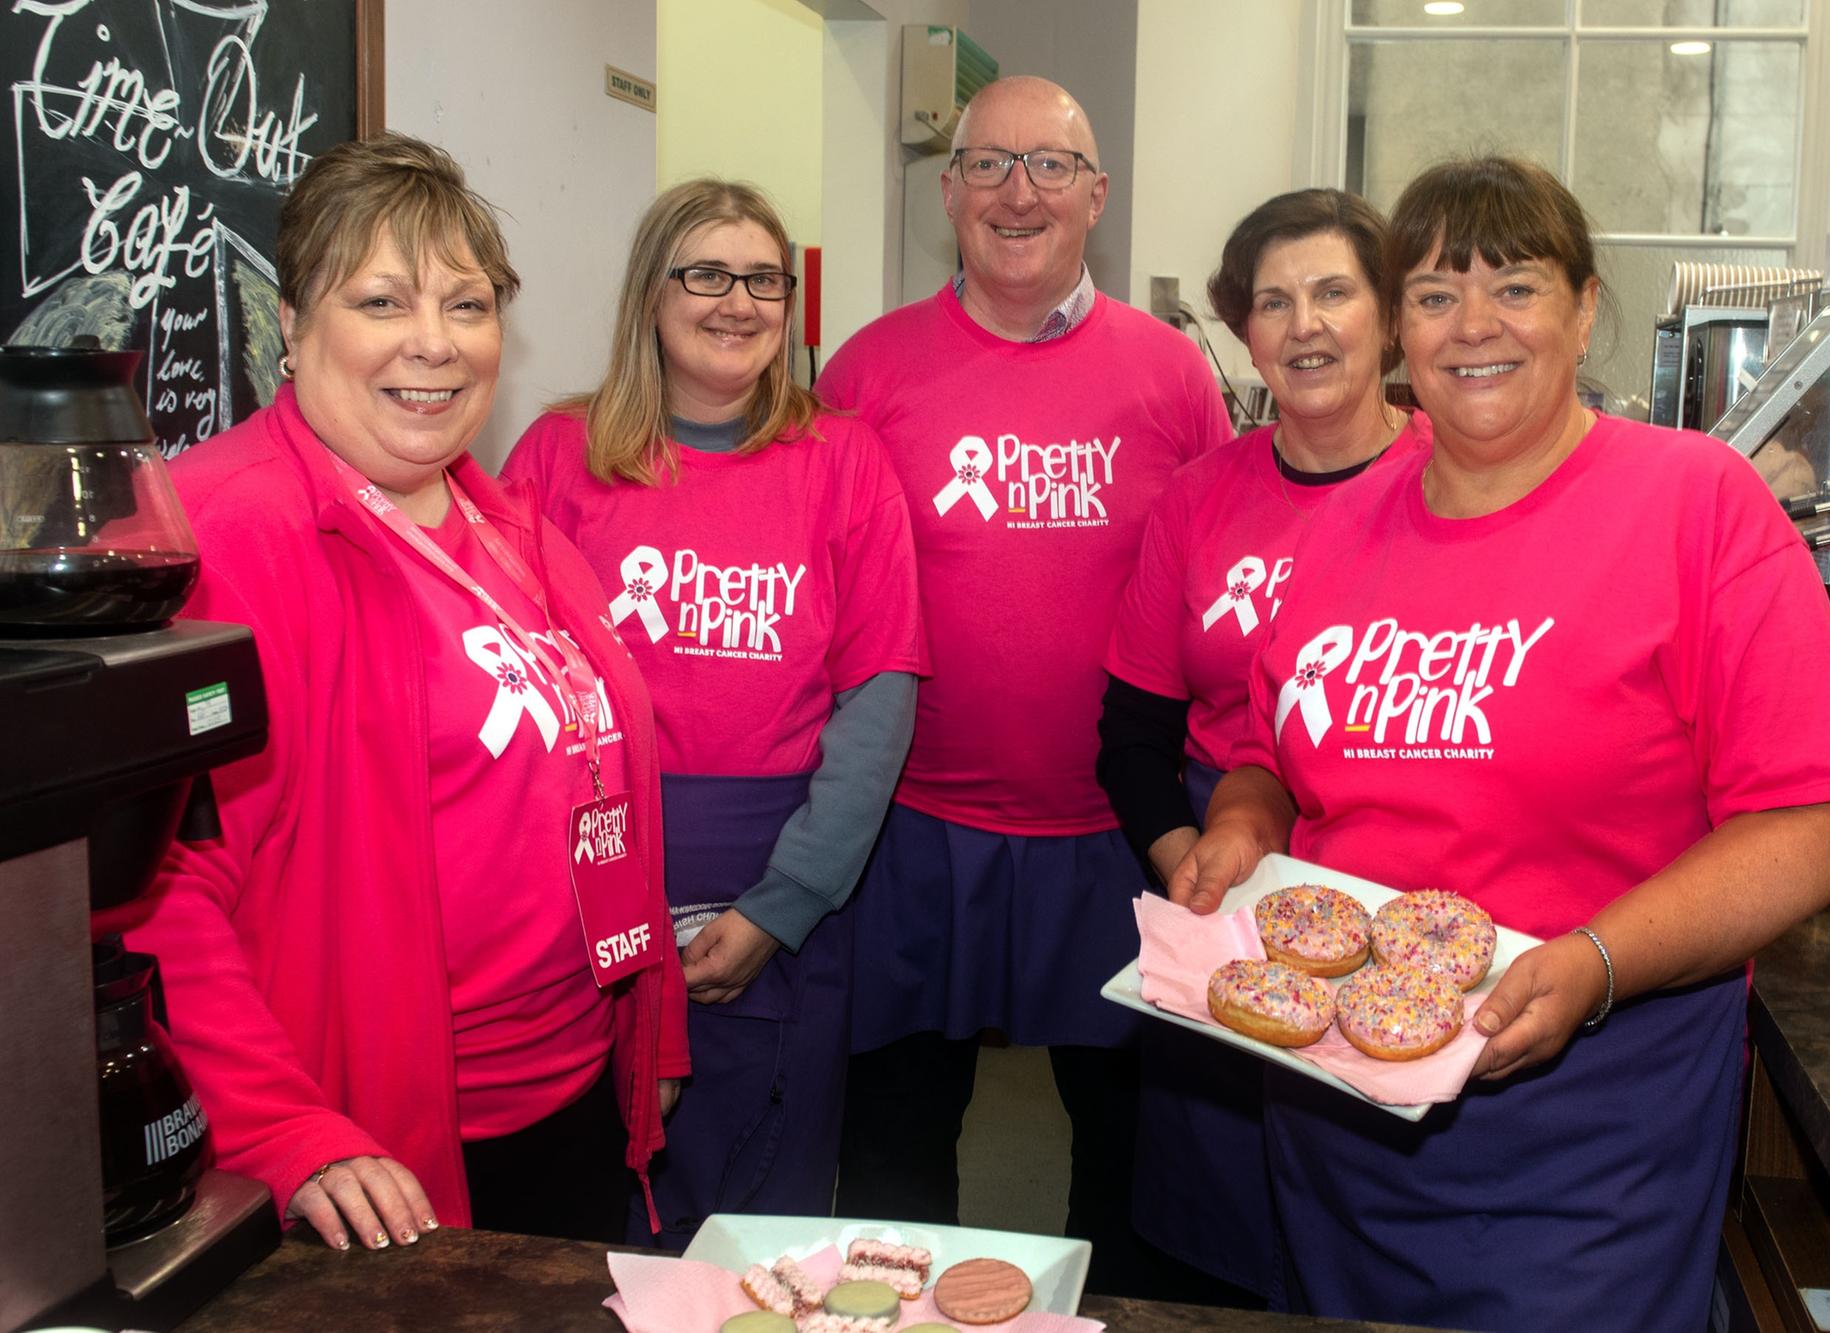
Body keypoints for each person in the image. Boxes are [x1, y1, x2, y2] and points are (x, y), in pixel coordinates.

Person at [1168, 156, 1830, 1330]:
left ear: (1584, 305)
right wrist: (1244, 816)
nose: (1474, 325)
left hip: (1590, 1124)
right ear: (1398, 326)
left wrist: (1592, 961)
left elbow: (1815, 824)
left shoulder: (1692, 505)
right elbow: (1268, 745)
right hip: (1342, 1117)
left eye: (1516, 285)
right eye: (1436, 292)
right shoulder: (1336, 536)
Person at [124, 133, 687, 1251]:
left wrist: (645, 1032)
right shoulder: (224, 537)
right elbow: (152, 891)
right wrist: (286, 1129)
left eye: (467, 305)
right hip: (389, 1144)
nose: (433, 343)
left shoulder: (506, 521)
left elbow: (593, 784)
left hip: (566, 1085)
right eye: (381, 301)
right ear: (291, 326)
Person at [817, 74, 1233, 1294]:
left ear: (1094, 197)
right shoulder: (865, 372)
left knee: (1127, 1151)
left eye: (1049, 166)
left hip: (1117, 834)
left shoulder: (1171, 377)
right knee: (893, 1142)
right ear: (946, 193)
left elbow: (1220, 581)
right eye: (987, 164)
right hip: (911, 830)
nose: (1017, 192)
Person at [504, 179, 924, 1247]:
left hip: (775, 901)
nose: (736, 302)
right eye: (705, 274)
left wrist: (782, 905)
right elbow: (507, 688)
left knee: (755, 1231)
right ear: (651, 292)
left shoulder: (844, 462)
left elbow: (877, 702)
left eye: (763, 280)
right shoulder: (557, 459)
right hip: (586, 900)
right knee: (591, 1223)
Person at [1096, 187, 1427, 1309]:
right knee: (1213, 1237)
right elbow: (1130, 730)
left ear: (1386, 313)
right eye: (1272, 303)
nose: (1305, 325)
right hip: (1213, 879)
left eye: (1334, 291)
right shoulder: (1199, 500)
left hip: (1389, 882)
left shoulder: (1450, 481)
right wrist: (1193, 878)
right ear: (1243, 332)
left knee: (1366, 1232)